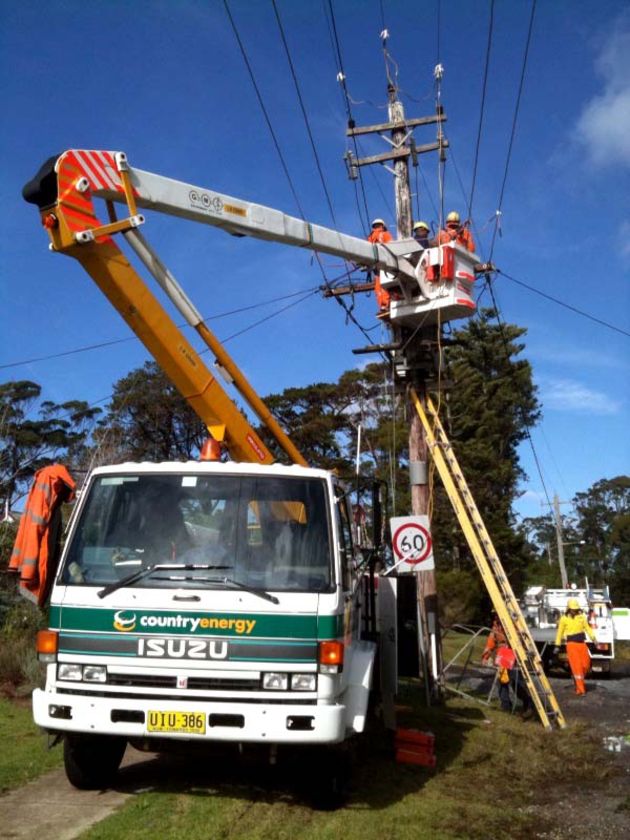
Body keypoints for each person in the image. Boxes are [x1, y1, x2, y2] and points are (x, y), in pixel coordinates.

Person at [554, 597, 596, 696]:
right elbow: (559, 633)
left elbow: (588, 628)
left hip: (582, 644)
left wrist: (594, 638)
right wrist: (557, 645)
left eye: (576, 609)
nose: (574, 611)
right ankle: (581, 690)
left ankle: (578, 683)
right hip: (571, 645)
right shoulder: (564, 619)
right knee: (577, 668)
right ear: (569, 609)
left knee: (586, 665)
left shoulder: (582, 617)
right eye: (573, 609)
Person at [367, 218, 393, 313]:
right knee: (385, 286)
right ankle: (386, 305)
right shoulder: (385, 234)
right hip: (385, 265)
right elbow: (392, 248)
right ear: (382, 226)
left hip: (376, 266)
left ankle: (383, 306)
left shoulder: (370, 238)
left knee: (379, 287)